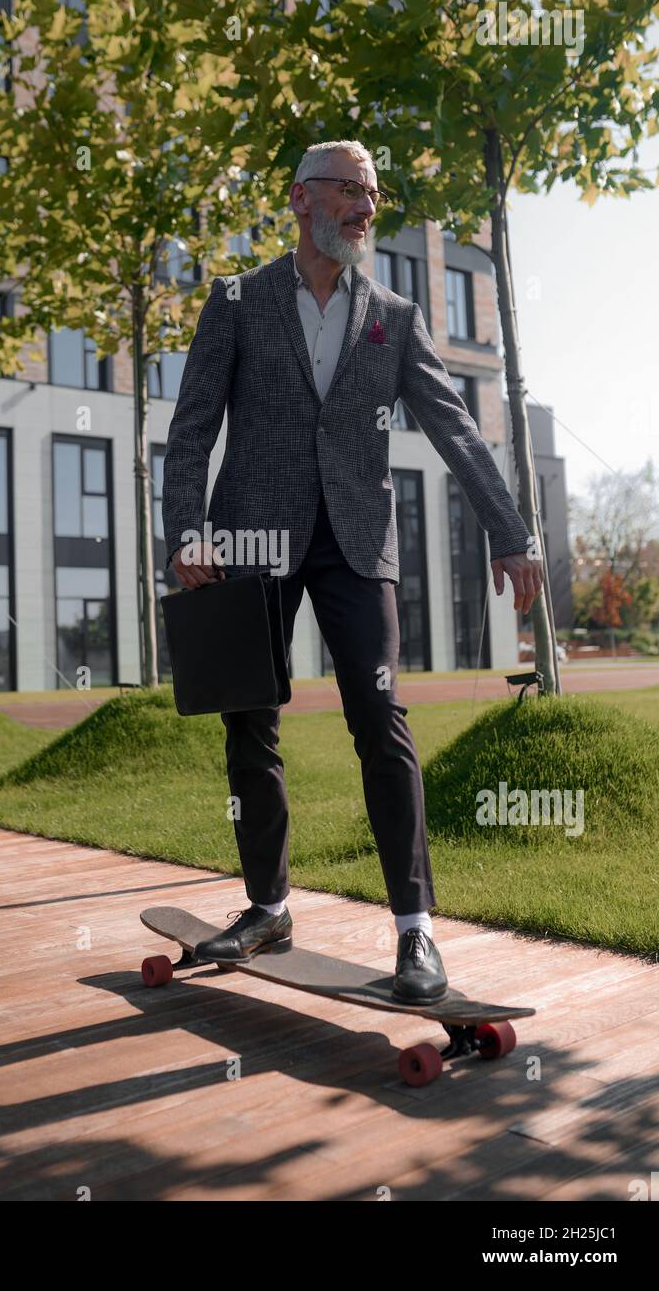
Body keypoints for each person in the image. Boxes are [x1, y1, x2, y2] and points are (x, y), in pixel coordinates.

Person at [161, 140, 543, 1002]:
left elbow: (457, 428)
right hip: (249, 540)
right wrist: (187, 530)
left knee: (380, 717)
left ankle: (416, 935)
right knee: (248, 724)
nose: (367, 206)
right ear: (301, 199)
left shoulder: (395, 316)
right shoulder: (236, 300)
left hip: (358, 542)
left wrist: (509, 533)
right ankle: (268, 907)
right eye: (350, 191)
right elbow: (191, 428)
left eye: (374, 192)